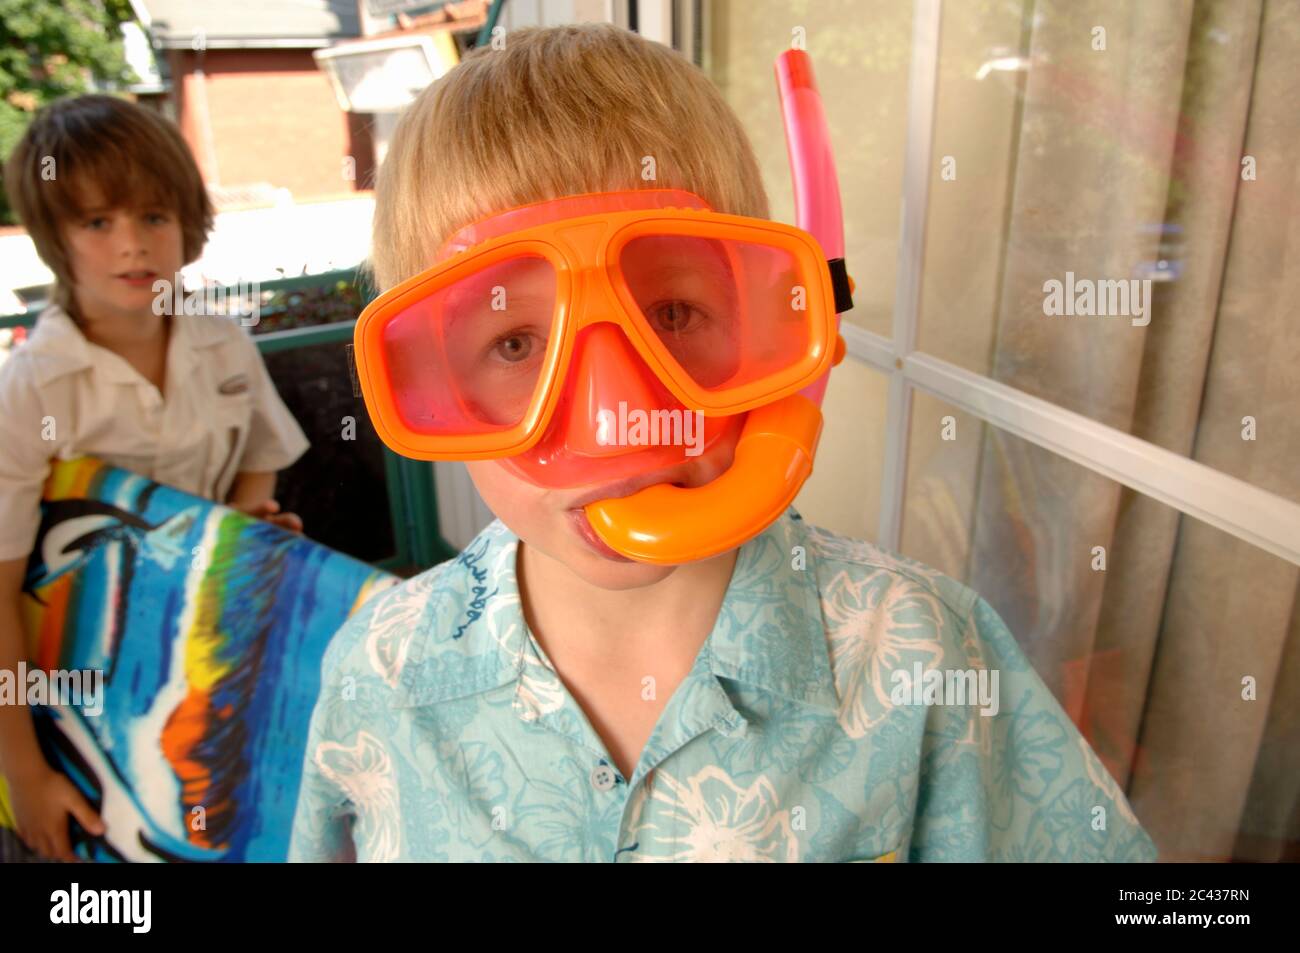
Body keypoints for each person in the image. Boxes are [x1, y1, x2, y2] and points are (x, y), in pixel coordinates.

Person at [287, 24, 1158, 862]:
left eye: (671, 312)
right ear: (429, 385)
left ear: (767, 324)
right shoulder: (384, 667)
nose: (617, 418)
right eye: (515, 343)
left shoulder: (923, 653)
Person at [0, 95, 311, 861]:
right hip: (66, 690)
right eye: (96, 222)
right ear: (53, 237)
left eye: (153, 216)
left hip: (202, 661)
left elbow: (258, 457)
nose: (132, 246)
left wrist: (242, 533)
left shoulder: (223, 343)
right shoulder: (29, 387)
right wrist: (26, 772)